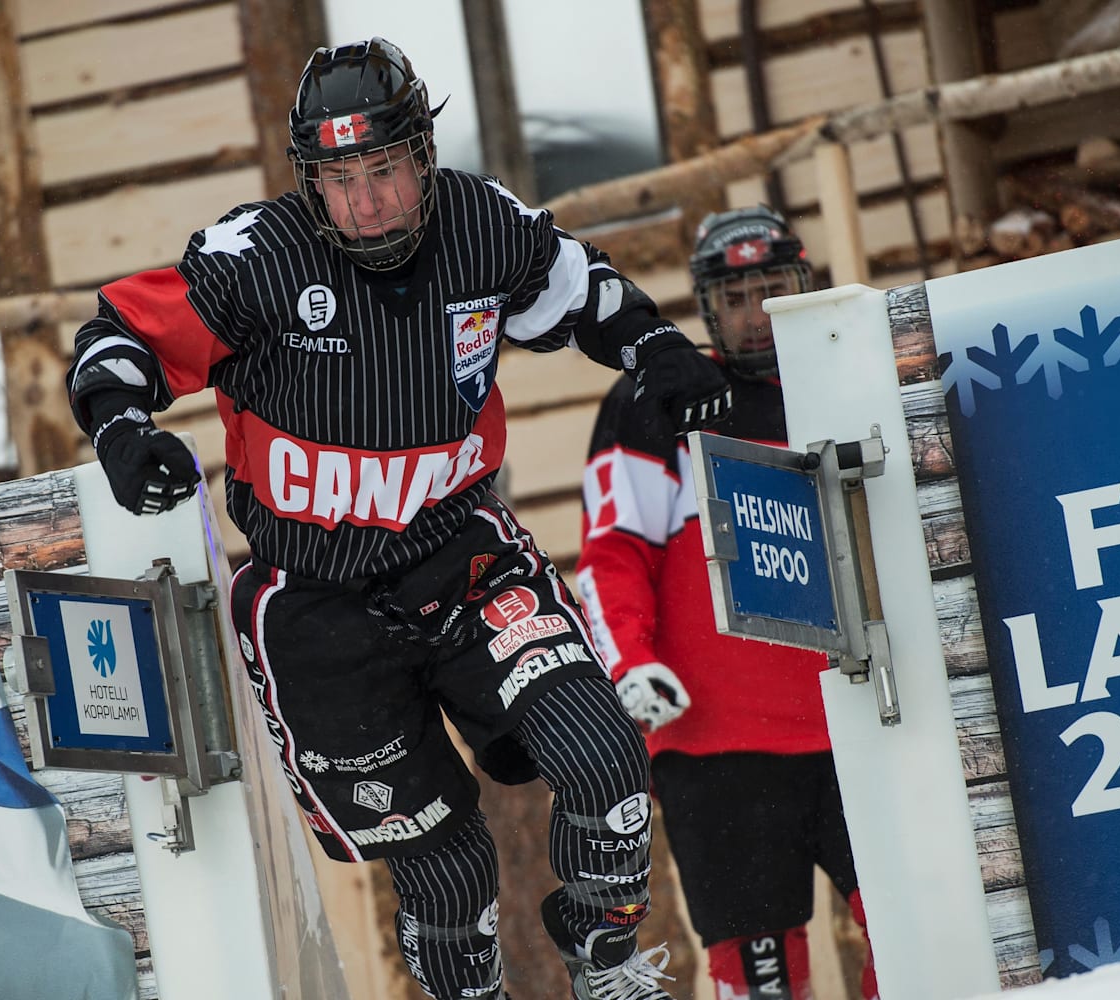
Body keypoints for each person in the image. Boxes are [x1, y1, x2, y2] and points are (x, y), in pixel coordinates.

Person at [63, 37, 733, 1000]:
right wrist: (122, 428)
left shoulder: (479, 221)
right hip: (315, 606)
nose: (367, 201)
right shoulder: (254, 257)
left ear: (421, 157)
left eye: (384, 170)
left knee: (606, 759)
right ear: (311, 181)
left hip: (461, 558)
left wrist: (658, 347)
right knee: (449, 864)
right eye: (341, 178)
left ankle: (608, 963)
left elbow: (580, 292)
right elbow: (119, 335)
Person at [575, 207, 879, 1000]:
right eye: (736, 295)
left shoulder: (856, 381)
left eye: (771, 289)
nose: (755, 313)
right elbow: (612, 553)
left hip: (865, 729)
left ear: (801, 286)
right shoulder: (653, 402)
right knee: (763, 982)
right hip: (718, 753)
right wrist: (628, 663)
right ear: (709, 305)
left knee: (919, 940)